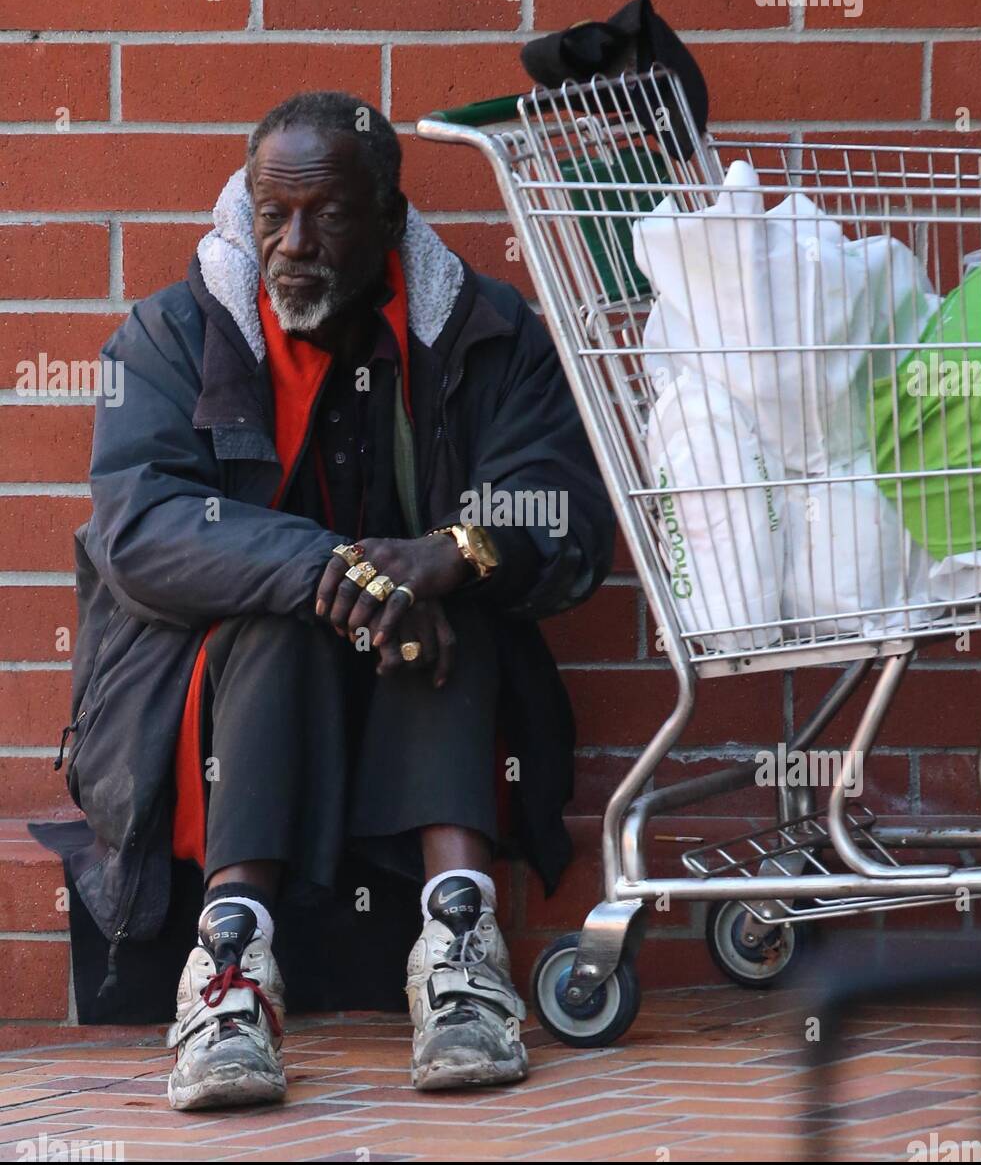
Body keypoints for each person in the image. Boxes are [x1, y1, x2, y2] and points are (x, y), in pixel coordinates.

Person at [56, 91, 614, 1110]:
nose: (294, 243)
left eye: (328, 217)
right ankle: (229, 970)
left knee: (445, 618)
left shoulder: (484, 331)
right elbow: (139, 527)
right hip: (217, 694)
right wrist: (337, 569)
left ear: (390, 215)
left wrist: (452, 553)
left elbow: (565, 506)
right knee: (282, 622)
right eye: (274, 214)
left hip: (421, 679)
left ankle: (458, 955)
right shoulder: (173, 334)